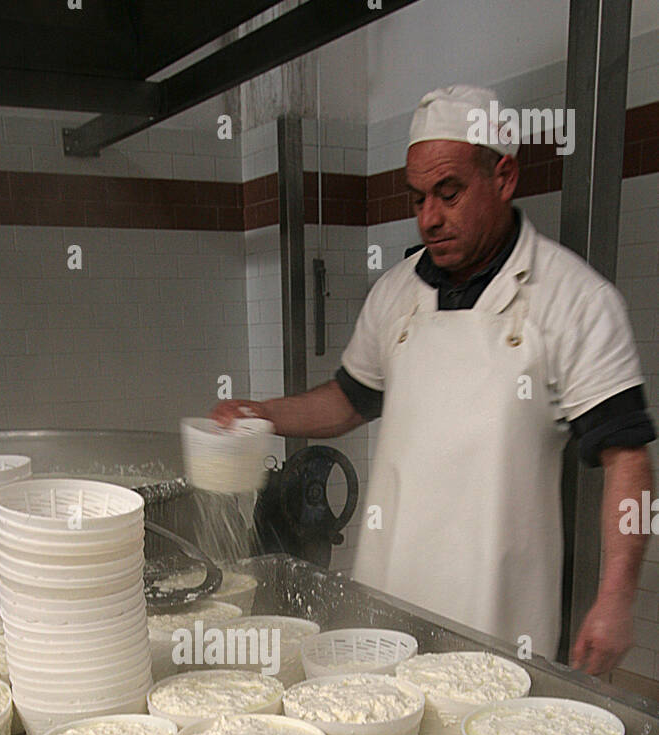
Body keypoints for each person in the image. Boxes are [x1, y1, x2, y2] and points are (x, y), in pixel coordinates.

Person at [211, 85, 656, 675]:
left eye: (449, 194)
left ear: (503, 177)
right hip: (387, 599)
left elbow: (628, 460)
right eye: (417, 198)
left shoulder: (573, 300)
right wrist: (262, 414)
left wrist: (615, 600)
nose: (429, 218)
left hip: (496, 613)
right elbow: (347, 400)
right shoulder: (396, 293)